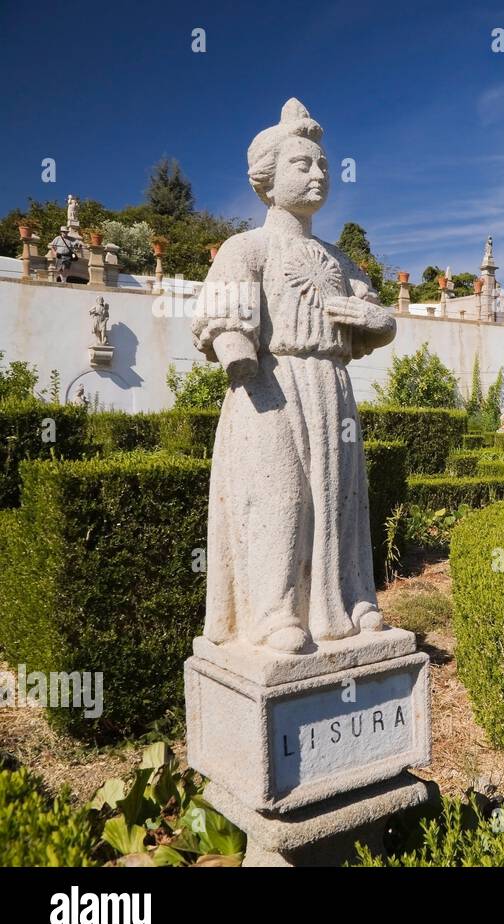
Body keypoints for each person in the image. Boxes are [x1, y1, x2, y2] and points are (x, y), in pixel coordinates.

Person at [193, 98, 396, 655]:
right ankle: (275, 612)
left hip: (331, 386)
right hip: (268, 384)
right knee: (278, 496)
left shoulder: (338, 259)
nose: (317, 175)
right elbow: (220, 313)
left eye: (322, 166)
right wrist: (235, 343)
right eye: (301, 165)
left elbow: (375, 317)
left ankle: (350, 603)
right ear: (266, 179)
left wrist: (378, 321)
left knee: (339, 497)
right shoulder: (247, 247)